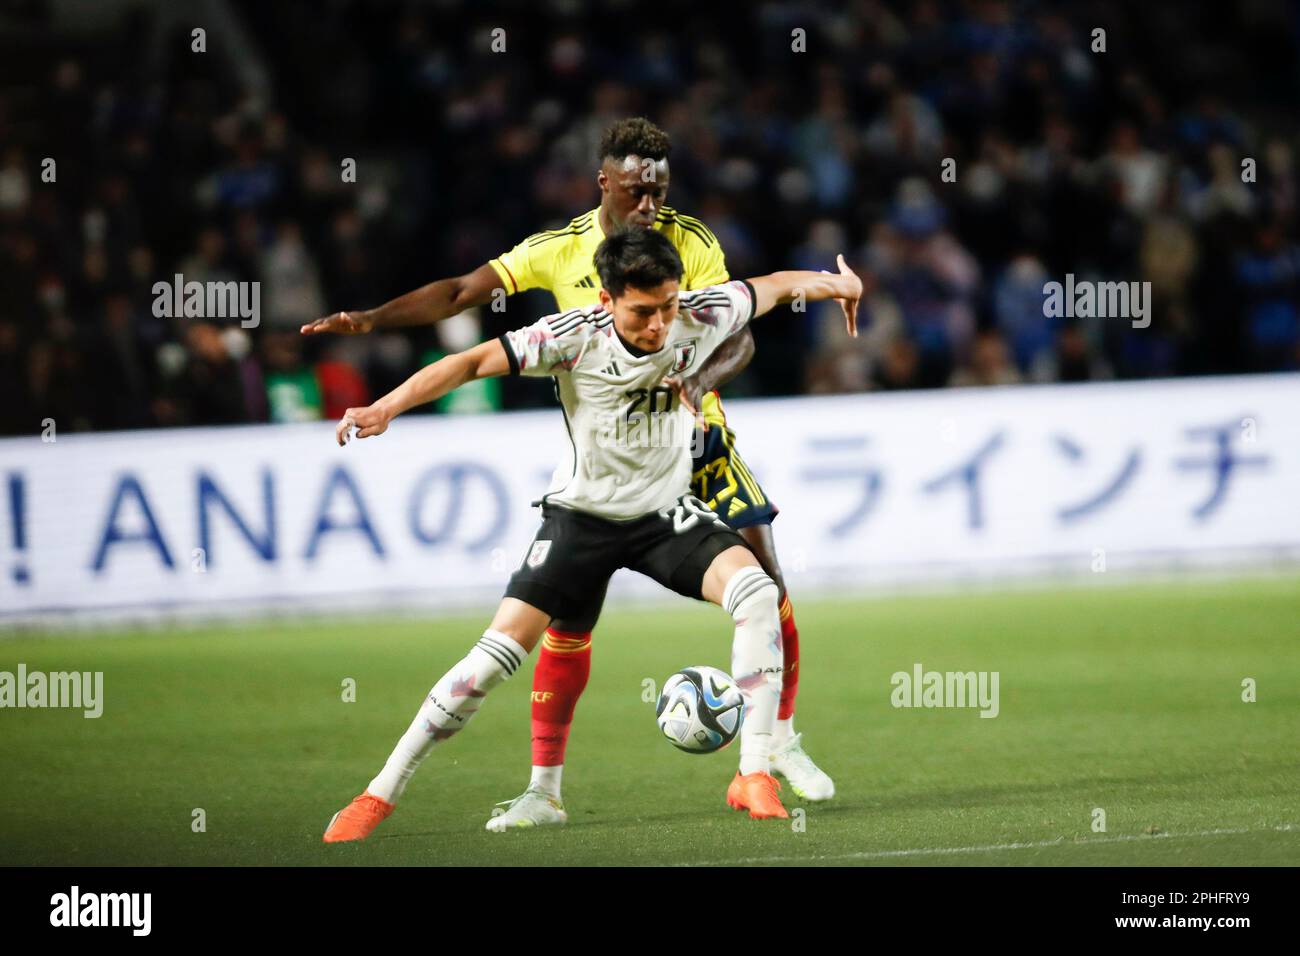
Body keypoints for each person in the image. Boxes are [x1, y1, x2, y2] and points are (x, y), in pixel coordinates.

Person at [304, 117, 833, 830]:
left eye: (668, 309)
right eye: (644, 313)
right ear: (607, 297)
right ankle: (384, 792)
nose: (658, 326)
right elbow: (466, 349)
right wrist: (385, 401)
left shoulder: (692, 297)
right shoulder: (568, 328)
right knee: (493, 661)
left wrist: (838, 283)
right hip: (583, 514)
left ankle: (759, 768)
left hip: (667, 502)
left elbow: (766, 291)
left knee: (760, 592)